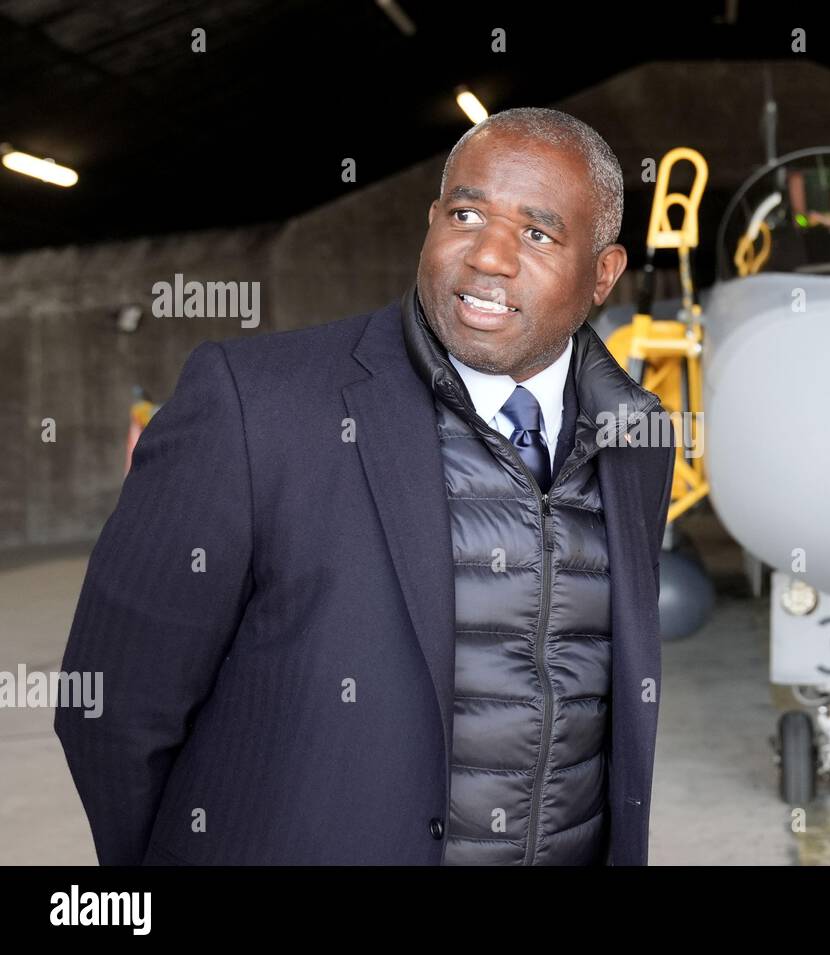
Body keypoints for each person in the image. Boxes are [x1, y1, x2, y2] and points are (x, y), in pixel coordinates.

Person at [54, 107, 675, 866]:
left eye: (538, 234)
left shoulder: (635, 437)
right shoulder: (255, 406)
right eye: (467, 213)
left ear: (603, 274)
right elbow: (112, 705)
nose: (488, 257)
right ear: (432, 220)